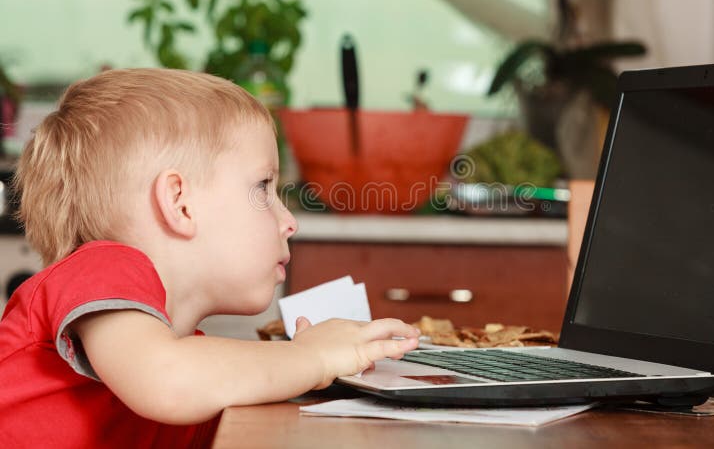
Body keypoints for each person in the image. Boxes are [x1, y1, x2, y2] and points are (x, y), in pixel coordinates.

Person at [0, 68, 419, 447]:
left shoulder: (195, 366)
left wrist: (321, 373)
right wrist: (313, 357)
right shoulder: (100, 267)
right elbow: (168, 381)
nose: (289, 221)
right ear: (180, 203)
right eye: (262, 188)